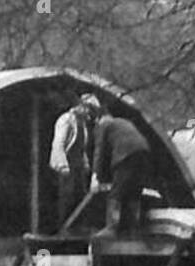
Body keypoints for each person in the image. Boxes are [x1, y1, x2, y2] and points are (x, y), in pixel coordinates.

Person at [90, 108, 157, 238]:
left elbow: (99, 151)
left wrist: (95, 176)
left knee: (116, 192)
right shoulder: (123, 122)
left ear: (99, 119)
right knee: (134, 191)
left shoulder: (104, 124)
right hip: (144, 151)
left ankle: (111, 228)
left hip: (125, 155)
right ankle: (134, 228)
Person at [49, 94, 99, 231]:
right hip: (67, 164)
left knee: (80, 197)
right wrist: (62, 164)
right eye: (89, 109)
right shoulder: (66, 119)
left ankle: (77, 227)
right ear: (82, 106)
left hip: (78, 166)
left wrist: (85, 164)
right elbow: (59, 143)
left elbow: (82, 147)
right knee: (67, 196)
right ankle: (63, 227)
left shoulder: (82, 124)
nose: (90, 113)